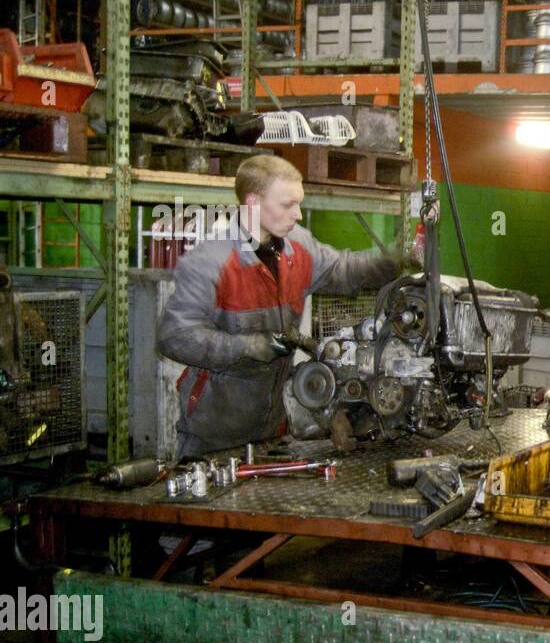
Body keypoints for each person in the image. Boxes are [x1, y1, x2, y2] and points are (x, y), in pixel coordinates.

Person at [158, 154, 416, 457]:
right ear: (253, 203)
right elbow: (174, 336)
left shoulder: (297, 247)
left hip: (272, 431)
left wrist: (394, 262)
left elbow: (343, 270)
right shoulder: (212, 262)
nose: (299, 215)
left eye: (299, 203)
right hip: (214, 437)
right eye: (287, 205)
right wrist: (249, 347)